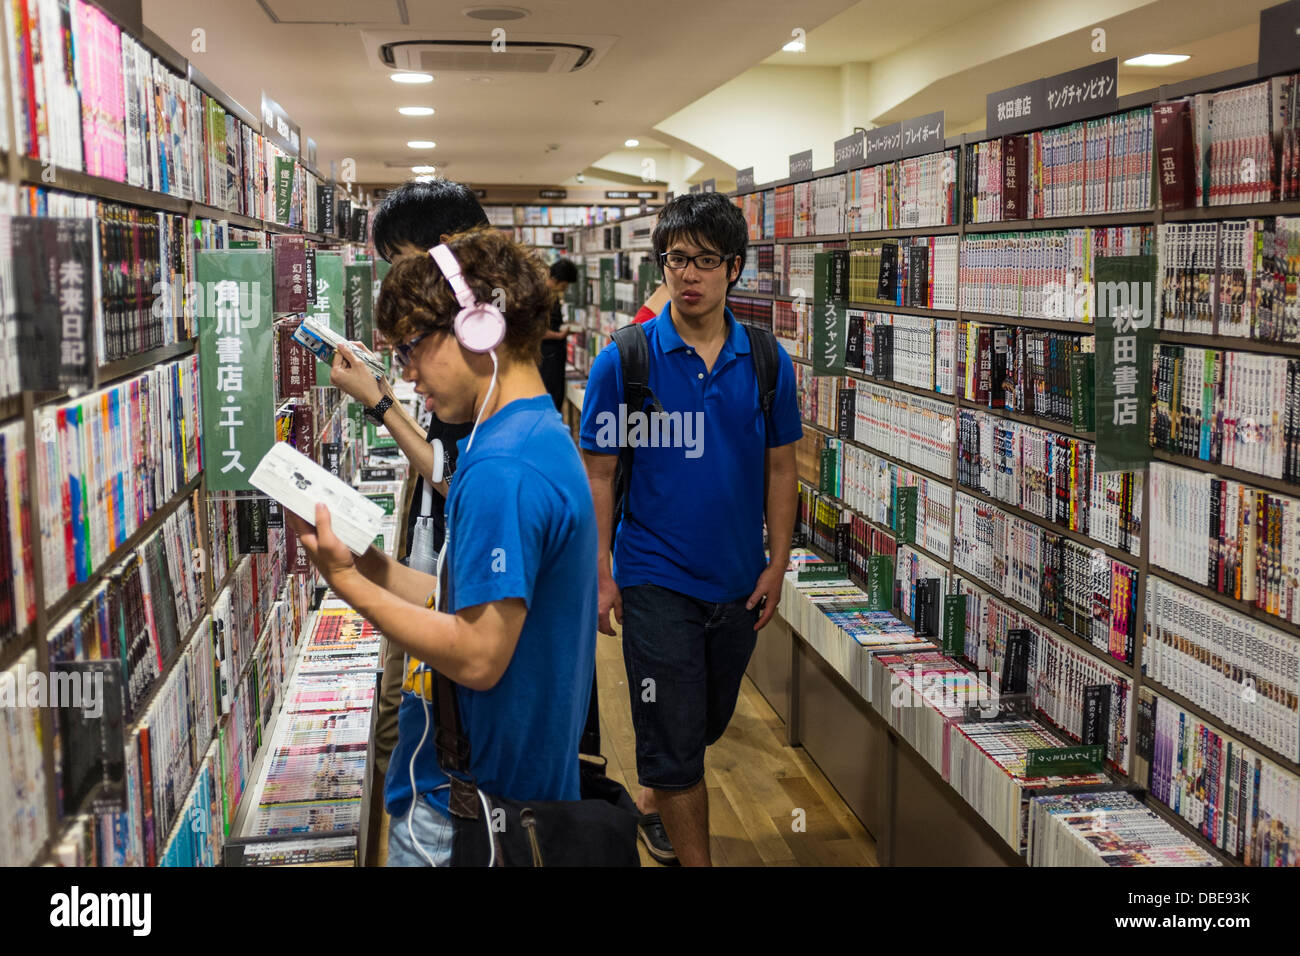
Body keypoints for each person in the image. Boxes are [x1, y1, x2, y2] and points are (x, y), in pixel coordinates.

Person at [287, 226, 598, 866]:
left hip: (473, 815)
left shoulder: (503, 470)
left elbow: (480, 655)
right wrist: (368, 567)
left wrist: (348, 589)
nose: (406, 374)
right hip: (504, 798)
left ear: (479, 327)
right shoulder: (526, 432)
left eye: (410, 349)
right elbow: (466, 599)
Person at [578, 192, 802, 867]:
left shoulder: (767, 361)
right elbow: (598, 474)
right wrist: (602, 573)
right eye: (677, 260)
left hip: (737, 580)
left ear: (734, 267)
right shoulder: (625, 360)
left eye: (705, 261)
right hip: (654, 577)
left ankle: (657, 792)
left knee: (704, 719)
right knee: (676, 741)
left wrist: (778, 561)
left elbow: (783, 467)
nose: (689, 275)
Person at [327, 179, 488, 780]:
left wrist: (380, 404)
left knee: (418, 713)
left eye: (399, 263)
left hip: (453, 555)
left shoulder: (477, 350)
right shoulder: (461, 334)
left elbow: (458, 478)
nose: (395, 281)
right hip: (438, 557)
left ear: (444, 252)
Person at [539, 258, 578, 411]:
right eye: (565, 284)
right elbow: (538, 330)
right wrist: (560, 335)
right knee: (552, 394)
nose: (565, 288)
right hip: (548, 355)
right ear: (555, 280)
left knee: (556, 393)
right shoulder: (543, 297)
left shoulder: (550, 295)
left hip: (553, 355)